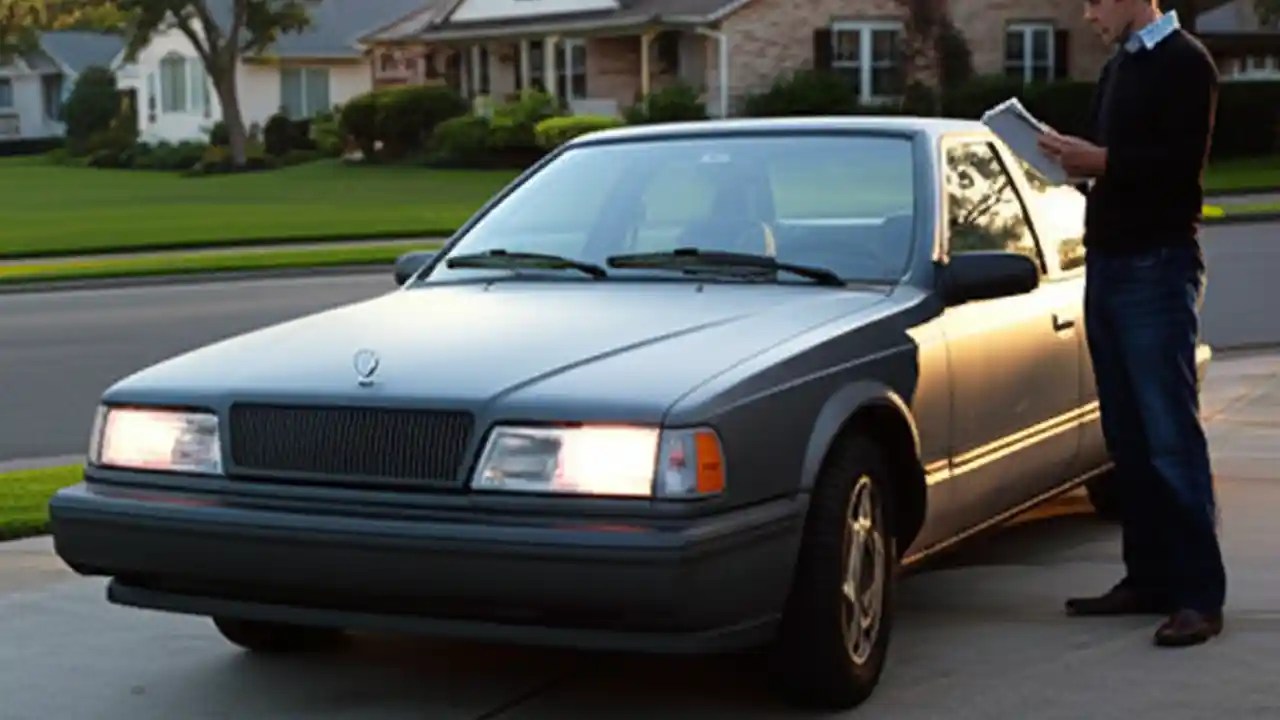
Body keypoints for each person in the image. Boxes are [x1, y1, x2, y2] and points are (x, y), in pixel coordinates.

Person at [1036, 0, 1226, 648]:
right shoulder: (1120, 66)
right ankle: (1148, 581)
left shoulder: (1186, 63)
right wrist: (1069, 161)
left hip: (1157, 267)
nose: (1087, 15)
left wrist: (1105, 162)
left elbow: (1179, 170)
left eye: (1094, 2)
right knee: (1128, 437)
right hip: (1108, 266)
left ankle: (1199, 596)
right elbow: (1109, 161)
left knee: (1170, 437)